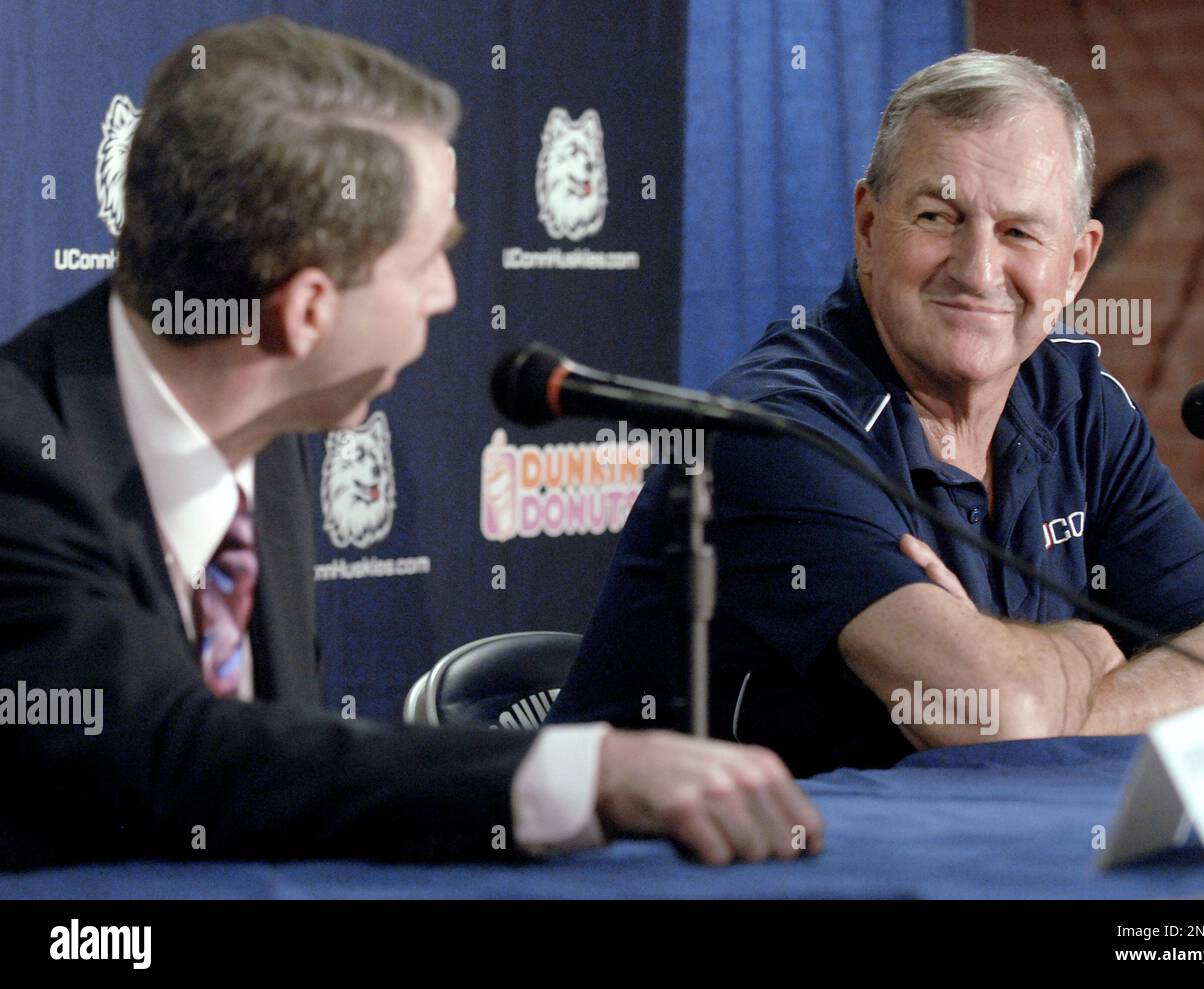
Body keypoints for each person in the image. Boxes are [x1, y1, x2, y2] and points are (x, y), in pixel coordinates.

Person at [0, 16, 823, 871]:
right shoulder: (21, 458)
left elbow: (270, 786)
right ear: (308, 311)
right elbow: (171, 755)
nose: (446, 294)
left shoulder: (270, 432)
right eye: (430, 256)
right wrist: (592, 771)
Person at [547, 51, 1204, 778]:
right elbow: (982, 711)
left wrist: (1063, 696)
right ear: (869, 227)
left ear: (1076, 263)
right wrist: (1087, 648)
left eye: (1018, 232)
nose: (977, 269)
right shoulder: (770, 428)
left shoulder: (1081, 405)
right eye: (939, 216)